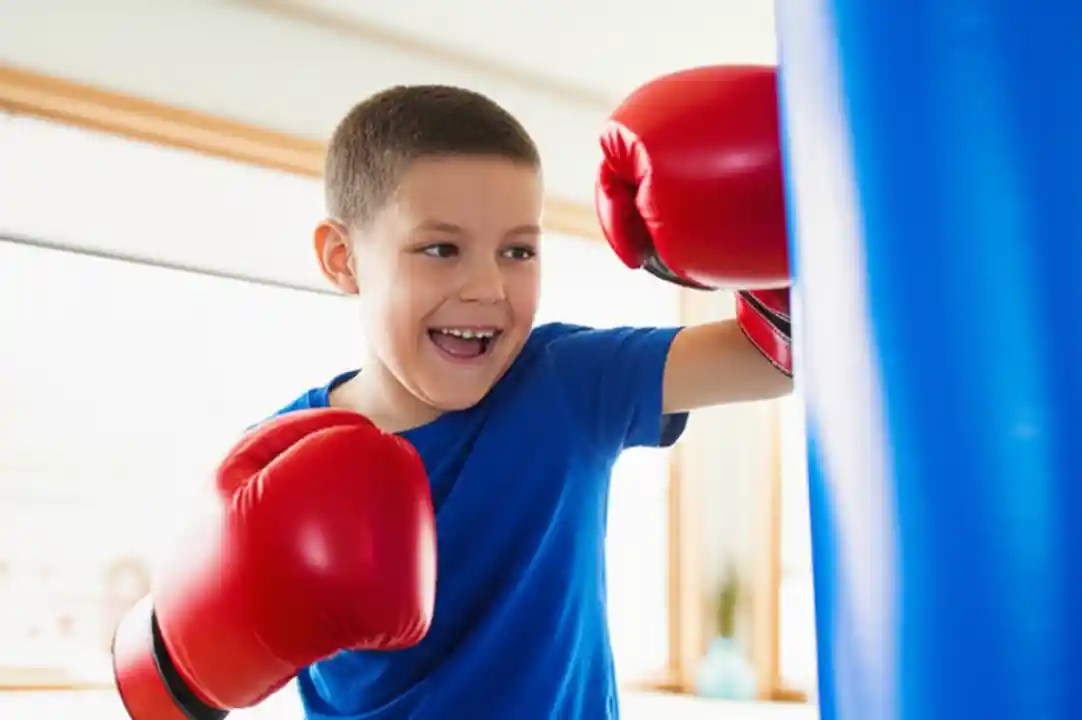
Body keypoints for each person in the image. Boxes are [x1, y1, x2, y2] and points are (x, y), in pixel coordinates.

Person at [112, 66, 792, 720]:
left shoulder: (567, 380)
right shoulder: (276, 456)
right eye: (441, 249)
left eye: (518, 251)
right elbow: (166, 687)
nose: (488, 288)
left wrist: (757, 219)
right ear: (342, 259)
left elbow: (775, 361)